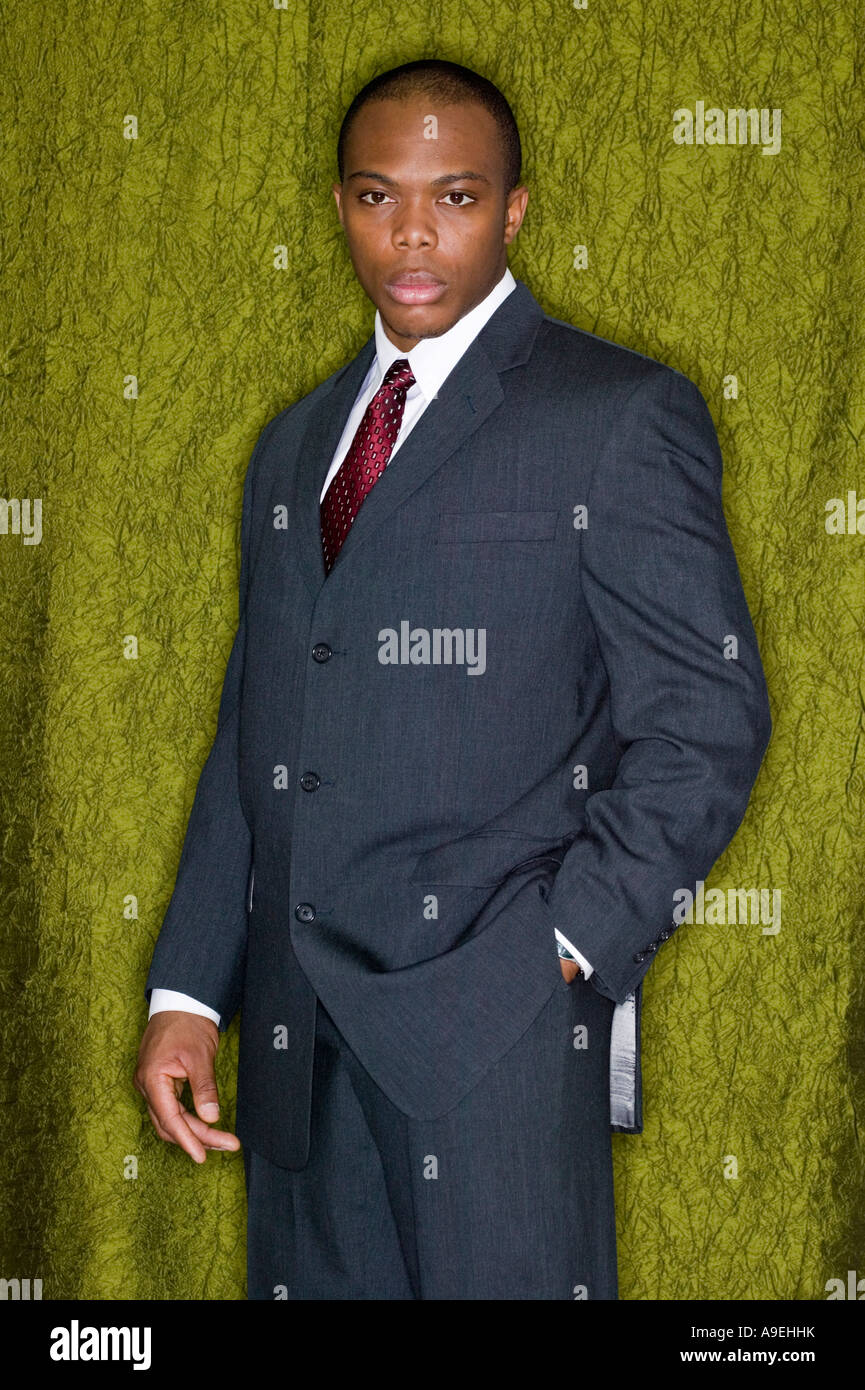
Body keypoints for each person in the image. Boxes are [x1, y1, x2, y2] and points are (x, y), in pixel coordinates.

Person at [134, 58, 771, 1300]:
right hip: (292, 1049)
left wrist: (565, 948)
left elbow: (706, 720)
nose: (412, 234)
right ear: (339, 206)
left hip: (495, 1044)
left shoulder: (618, 413)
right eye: (379, 197)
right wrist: (186, 988)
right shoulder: (293, 443)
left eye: (457, 196)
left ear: (515, 211)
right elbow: (254, 733)